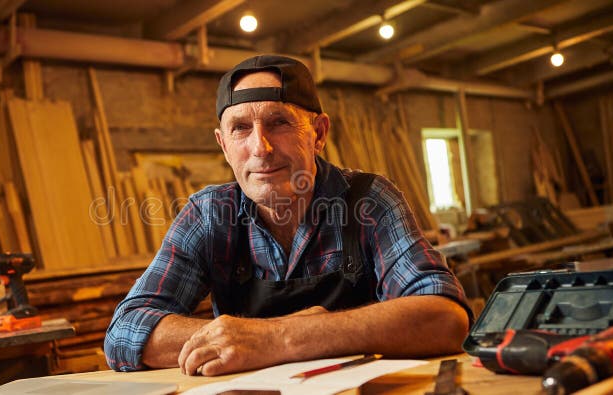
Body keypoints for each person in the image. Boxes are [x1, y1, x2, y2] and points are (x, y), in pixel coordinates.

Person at [105, 55, 472, 376]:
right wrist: (249, 339)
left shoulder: (368, 201)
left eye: (279, 122)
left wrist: (275, 338)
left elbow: (443, 318)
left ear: (318, 133)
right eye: (241, 129)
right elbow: (125, 330)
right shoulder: (209, 215)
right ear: (223, 145)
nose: (260, 148)